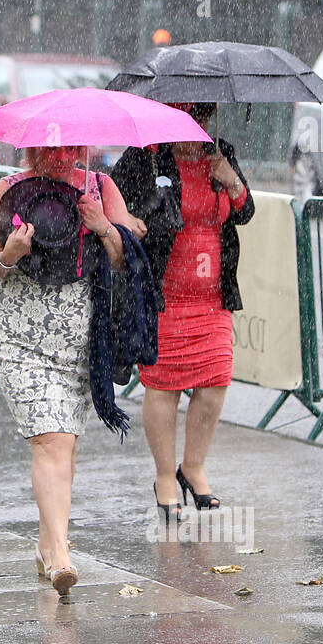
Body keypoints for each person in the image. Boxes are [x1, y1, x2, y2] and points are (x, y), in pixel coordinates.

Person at [0, 144, 143, 594]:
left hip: (81, 340)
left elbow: (128, 257)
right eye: (50, 148)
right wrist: (10, 254)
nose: (60, 155)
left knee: (64, 446)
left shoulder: (100, 187)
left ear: (84, 149)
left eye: (70, 147)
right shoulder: (9, 190)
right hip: (20, 336)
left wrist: (103, 226)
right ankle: (61, 553)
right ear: (33, 149)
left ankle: (47, 544)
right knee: (51, 441)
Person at [109, 103, 254, 522]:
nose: (199, 127)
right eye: (191, 118)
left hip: (213, 296)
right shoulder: (147, 156)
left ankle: (193, 466)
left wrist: (231, 182)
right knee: (164, 386)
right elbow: (113, 197)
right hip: (165, 295)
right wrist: (130, 220)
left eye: (204, 118)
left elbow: (244, 213)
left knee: (215, 380)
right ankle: (164, 477)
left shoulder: (220, 153)